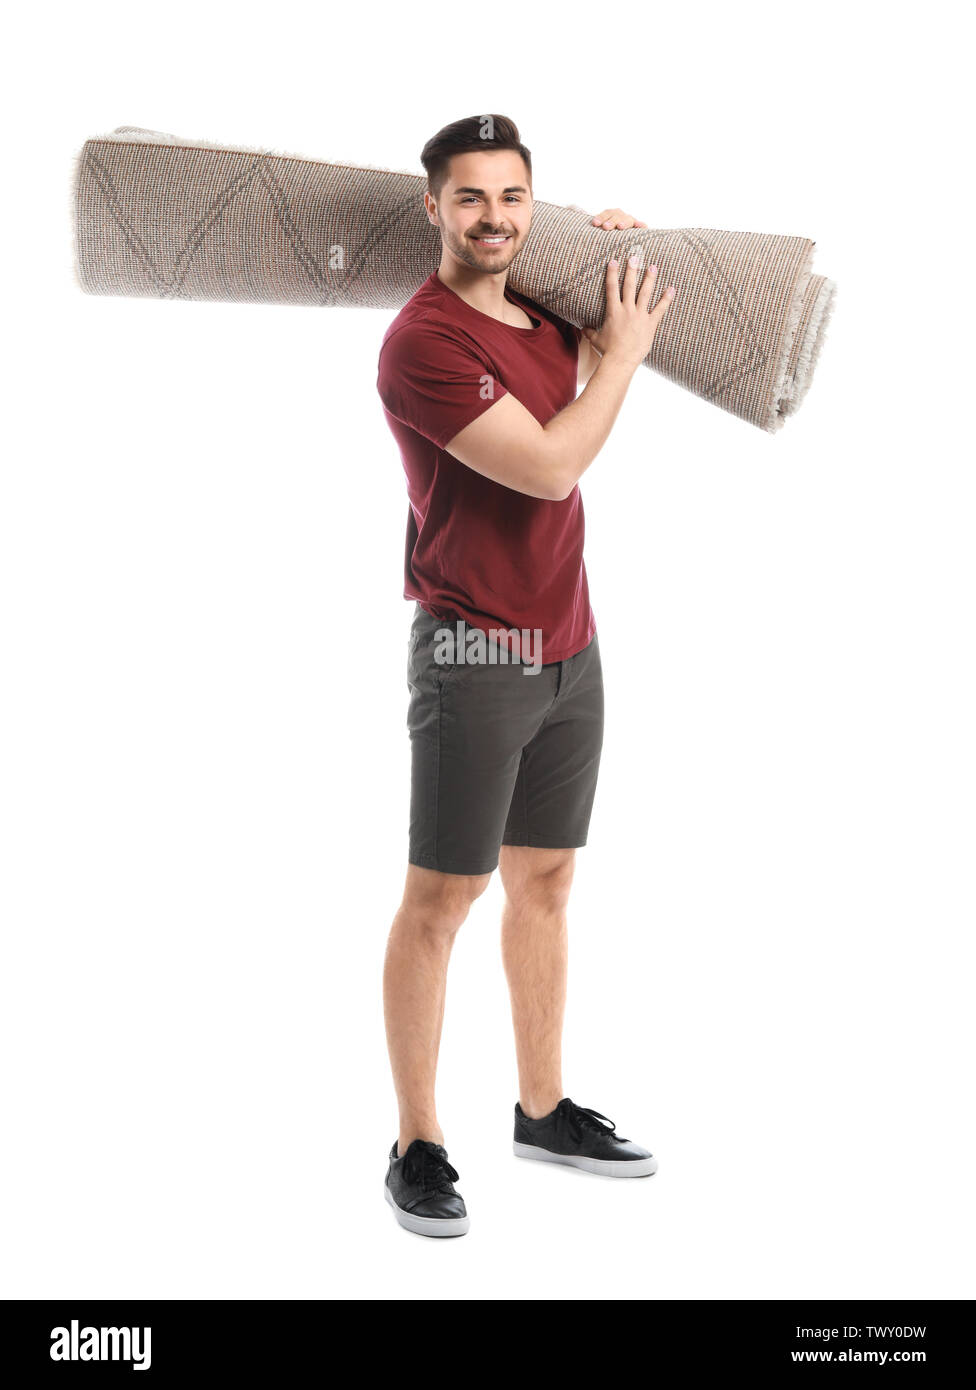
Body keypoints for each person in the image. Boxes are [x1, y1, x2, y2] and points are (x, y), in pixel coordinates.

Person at [376, 114, 675, 1238]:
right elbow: (552, 465)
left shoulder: (540, 310)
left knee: (545, 883)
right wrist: (626, 358)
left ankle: (541, 1110)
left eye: (513, 198)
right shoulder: (421, 343)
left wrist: (611, 296)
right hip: (473, 647)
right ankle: (416, 1140)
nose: (494, 218)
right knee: (442, 899)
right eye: (470, 198)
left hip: (569, 639)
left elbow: (572, 392)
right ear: (433, 209)